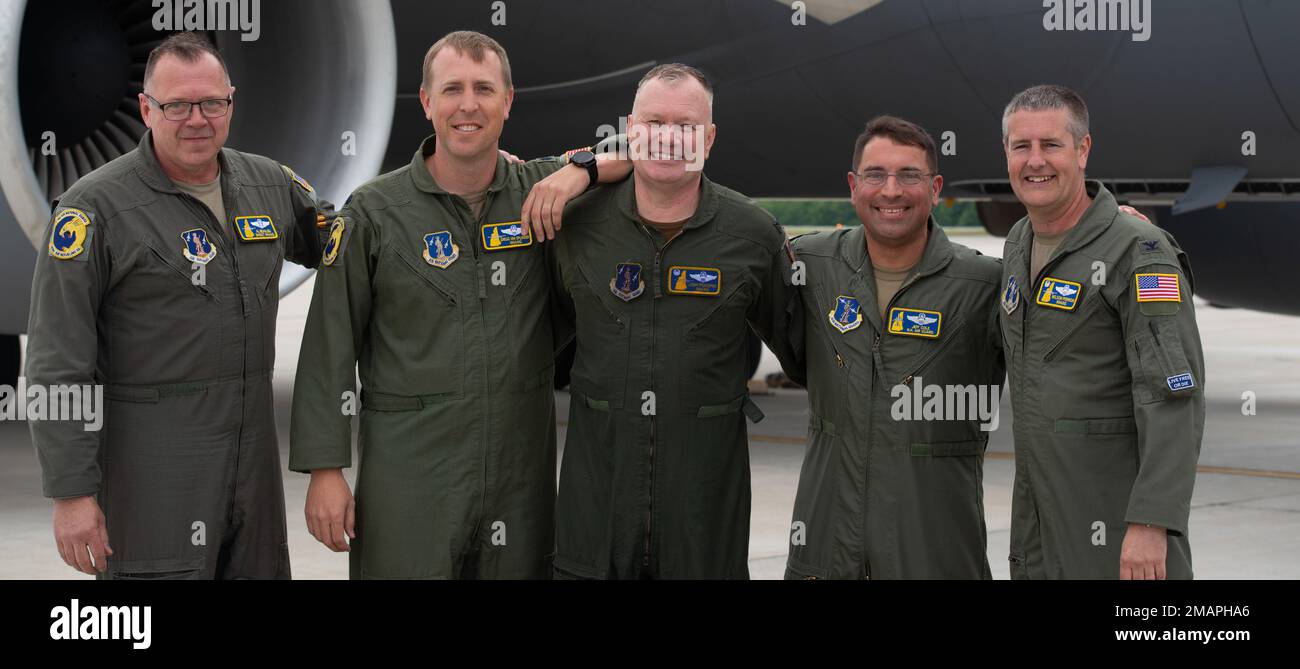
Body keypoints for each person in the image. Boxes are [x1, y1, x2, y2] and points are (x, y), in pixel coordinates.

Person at [288, 30, 629, 579]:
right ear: (426, 102)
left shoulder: (537, 193)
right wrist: (325, 472)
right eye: (451, 90)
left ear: (507, 101)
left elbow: (648, 156)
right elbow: (330, 345)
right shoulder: (374, 213)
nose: (468, 105)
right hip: (411, 478)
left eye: (484, 89)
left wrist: (580, 169)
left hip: (519, 479)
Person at [26, 31, 326, 578]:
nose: (197, 119)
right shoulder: (94, 209)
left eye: (213, 103)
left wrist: (472, 169)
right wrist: (71, 494)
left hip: (253, 475)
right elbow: (55, 365)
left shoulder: (269, 185)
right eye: (177, 105)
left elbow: (353, 240)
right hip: (153, 478)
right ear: (146, 108)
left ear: (230, 101)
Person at [548, 63, 794, 579]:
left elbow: (805, 353)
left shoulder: (752, 236)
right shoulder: (577, 223)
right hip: (594, 520)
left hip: (704, 528)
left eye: (685, 126)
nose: (667, 138)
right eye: (653, 123)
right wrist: (584, 165)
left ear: (709, 138)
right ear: (629, 132)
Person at [781, 116, 1003, 579]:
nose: (891, 191)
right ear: (853, 185)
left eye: (909, 175)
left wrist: (1105, 229)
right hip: (826, 547)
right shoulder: (810, 265)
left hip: (936, 553)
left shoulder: (983, 284)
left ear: (936, 187)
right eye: (875, 175)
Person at [999, 84, 1205, 579]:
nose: (1035, 161)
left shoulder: (1138, 251)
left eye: (1051, 145)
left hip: (1117, 526)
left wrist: (1151, 522)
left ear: (1083, 149)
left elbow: (1172, 395)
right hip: (1039, 519)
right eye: (1020, 146)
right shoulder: (1018, 243)